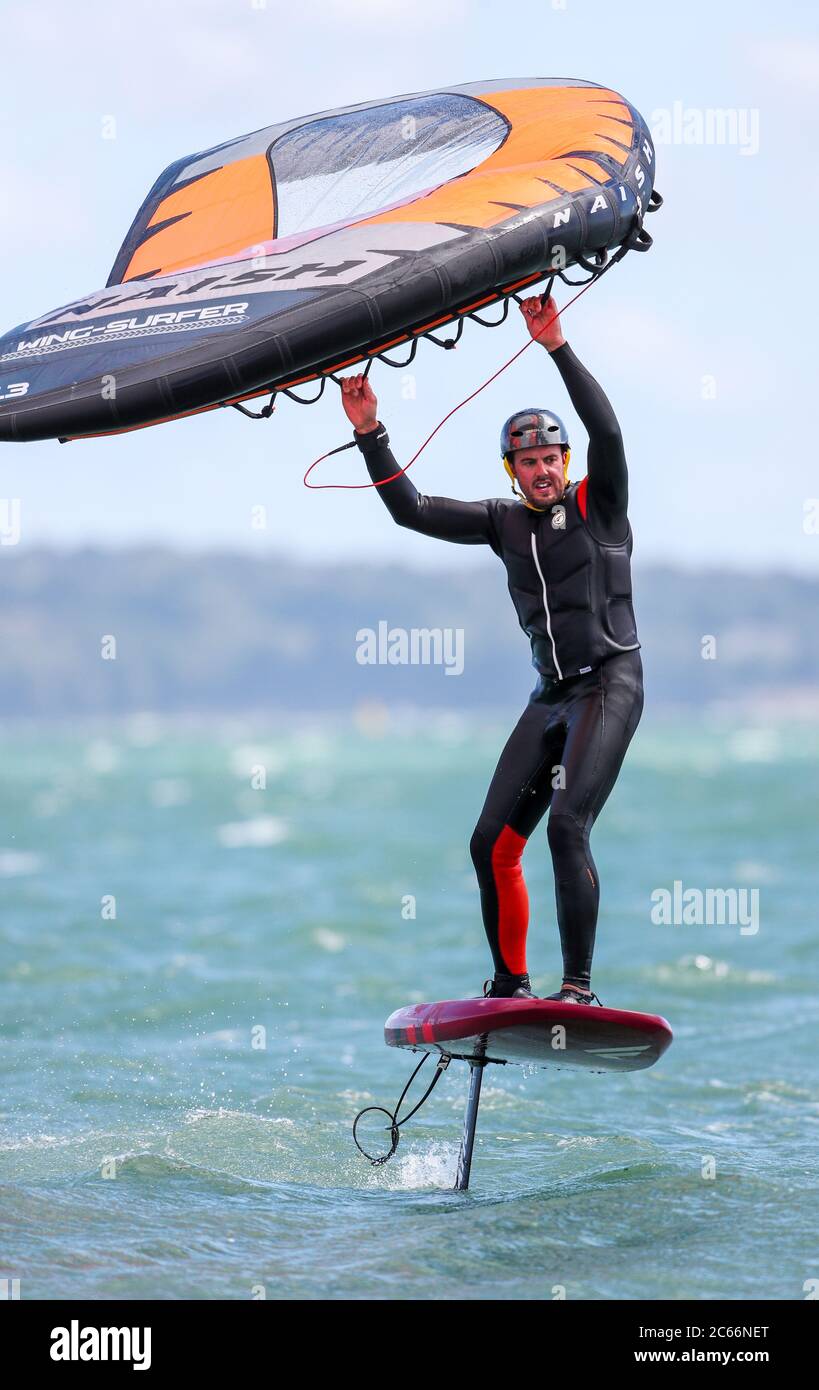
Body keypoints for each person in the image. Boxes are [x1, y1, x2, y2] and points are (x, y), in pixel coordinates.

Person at [340, 296, 643, 1005]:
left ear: (564, 461)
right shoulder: (501, 521)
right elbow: (410, 510)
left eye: (549, 458)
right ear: (511, 469)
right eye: (527, 461)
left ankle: (576, 991)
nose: (540, 470)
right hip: (550, 696)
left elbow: (608, 430)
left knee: (567, 827)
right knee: (491, 844)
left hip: (610, 683)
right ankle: (511, 983)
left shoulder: (601, 503)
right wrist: (369, 431)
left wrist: (555, 346)